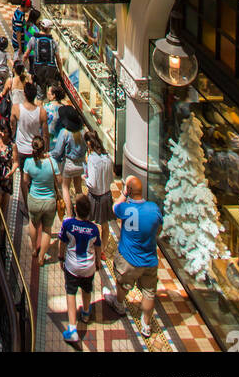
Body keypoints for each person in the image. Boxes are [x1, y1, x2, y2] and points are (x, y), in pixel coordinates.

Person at [104, 176, 163, 338]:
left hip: (128, 258)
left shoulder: (127, 209)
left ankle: (119, 304)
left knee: (123, 284)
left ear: (130, 191)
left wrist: (123, 192)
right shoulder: (153, 208)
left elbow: (115, 207)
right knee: (149, 292)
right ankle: (146, 325)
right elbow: (159, 228)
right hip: (149, 259)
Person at [58, 193, 102, 342]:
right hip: (88, 266)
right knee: (87, 289)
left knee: (71, 293)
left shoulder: (68, 224)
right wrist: (98, 263)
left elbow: (62, 243)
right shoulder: (94, 229)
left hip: (72, 266)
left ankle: (72, 328)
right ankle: (85, 313)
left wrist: (60, 257)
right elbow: (97, 247)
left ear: (76, 209)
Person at [20, 135, 59, 266]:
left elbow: (25, 181)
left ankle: (33, 250)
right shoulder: (52, 162)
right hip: (49, 201)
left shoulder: (29, 163)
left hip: (34, 199)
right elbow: (59, 180)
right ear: (44, 149)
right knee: (47, 229)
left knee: (33, 223)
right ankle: (42, 257)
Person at [52, 107, 87, 217]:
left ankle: (69, 214)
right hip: (81, 165)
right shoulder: (83, 132)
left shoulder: (65, 132)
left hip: (69, 165)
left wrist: (49, 154)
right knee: (78, 188)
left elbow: (58, 151)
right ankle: (81, 212)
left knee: (65, 187)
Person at [84, 129, 115, 254]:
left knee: (89, 222)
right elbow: (111, 179)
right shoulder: (107, 157)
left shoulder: (92, 159)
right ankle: (102, 250)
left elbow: (91, 183)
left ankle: (90, 247)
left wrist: (84, 179)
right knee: (105, 224)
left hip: (95, 196)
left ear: (89, 143)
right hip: (107, 195)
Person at [11, 79, 48, 170]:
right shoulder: (42, 111)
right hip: (36, 149)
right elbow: (45, 134)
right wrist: (45, 150)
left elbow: (13, 126)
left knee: (23, 175)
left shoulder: (16, 108)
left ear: (24, 94)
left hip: (21, 149)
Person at [24, 17, 59, 97]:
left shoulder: (33, 39)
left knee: (40, 94)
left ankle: (40, 106)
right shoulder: (53, 42)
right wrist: (60, 71)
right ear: (49, 29)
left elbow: (25, 55)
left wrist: (26, 69)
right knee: (52, 92)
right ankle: (50, 105)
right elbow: (58, 59)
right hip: (51, 71)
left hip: (39, 70)